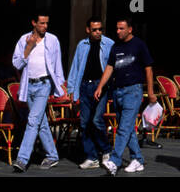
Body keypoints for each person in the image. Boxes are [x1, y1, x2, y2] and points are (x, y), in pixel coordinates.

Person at [93, 17, 157, 175]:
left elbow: (148, 69)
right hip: (117, 91)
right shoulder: (115, 47)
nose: (118, 31)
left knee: (123, 128)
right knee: (127, 129)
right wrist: (100, 86)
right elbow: (109, 67)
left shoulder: (139, 45)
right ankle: (138, 160)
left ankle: (114, 161)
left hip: (133, 91)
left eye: (121, 28)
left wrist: (150, 92)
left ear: (130, 29)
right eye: (117, 28)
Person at [9, 12, 66, 172]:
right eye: (42, 23)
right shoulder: (24, 40)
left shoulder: (53, 40)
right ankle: (53, 156)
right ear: (34, 22)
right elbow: (17, 64)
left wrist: (60, 86)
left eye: (47, 23)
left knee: (33, 120)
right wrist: (28, 47)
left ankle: (22, 159)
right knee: (40, 122)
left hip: (44, 84)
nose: (45, 26)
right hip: (29, 85)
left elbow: (57, 64)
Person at [65, 17, 114, 170]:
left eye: (100, 29)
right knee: (85, 123)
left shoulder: (109, 44)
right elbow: (75, 67)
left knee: (97, 120)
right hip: (85, 86)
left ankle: (106, 150)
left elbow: (113, 67)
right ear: (88, 30)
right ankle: (91, 157)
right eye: (94, 30)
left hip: (101, 86)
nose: (98, 32)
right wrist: (71, 90)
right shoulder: (82, 45)